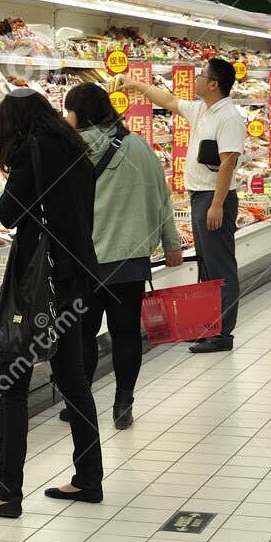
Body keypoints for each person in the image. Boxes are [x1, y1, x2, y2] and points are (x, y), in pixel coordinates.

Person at [0, 87, 101, 517]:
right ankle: (88, 478)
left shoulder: (31, 153)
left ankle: (7, 492)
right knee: (74, 380)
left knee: (12, 384)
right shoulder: (76, 150)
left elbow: (9, 213)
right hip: (77, 278)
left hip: (41, 288)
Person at [63, 82, 183, 429]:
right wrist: (171, 242)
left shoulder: (70, 151)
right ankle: (122, 401)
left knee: (82, 336)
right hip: (129, 260)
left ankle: (79, 406)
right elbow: (162, 196)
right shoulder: (138, 147)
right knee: (126, 332)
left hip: (84, 263)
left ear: (77, 114)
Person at [123, 57, 246, 352]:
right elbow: (167, 100)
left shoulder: (228, 117)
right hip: (199, 196)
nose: (197, 80)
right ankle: (209, 326)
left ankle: (222, 334)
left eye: (202, 76)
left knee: (220, 267)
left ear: (214, 84)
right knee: (206, 265)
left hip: (213, 198)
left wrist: (216, 205)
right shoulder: (203, 110)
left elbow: (229, 163)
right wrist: (136, 84)